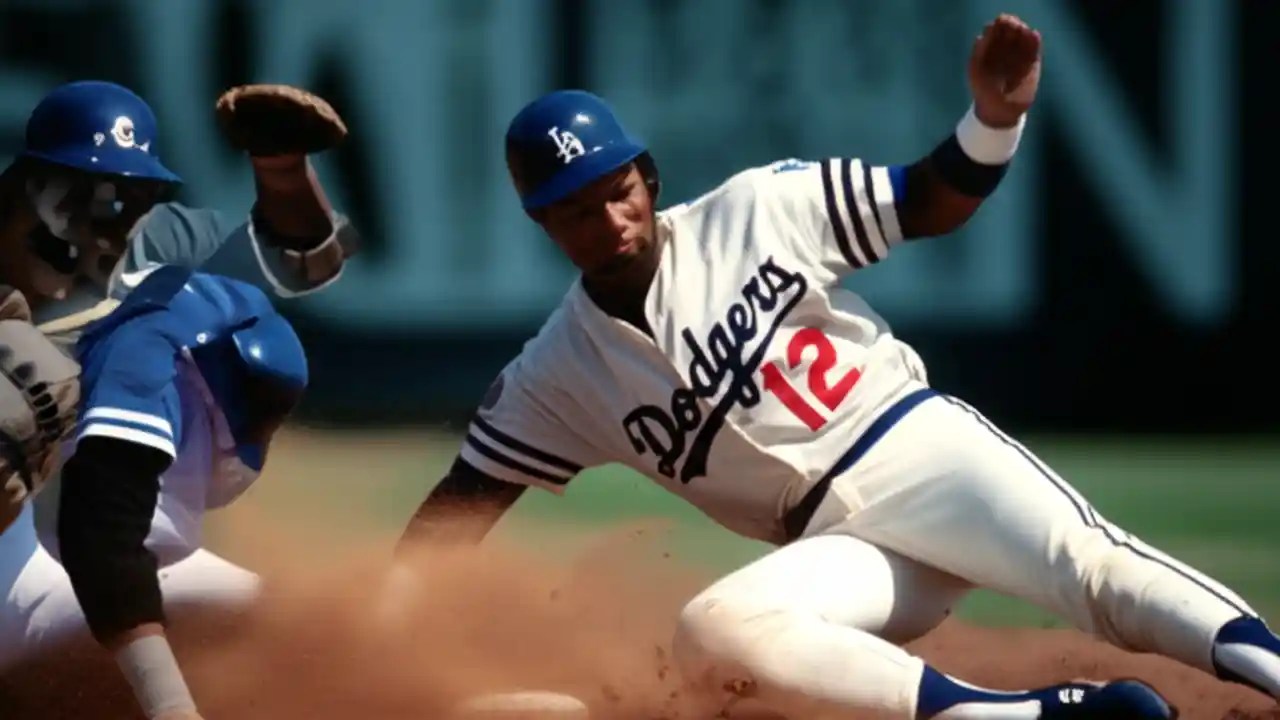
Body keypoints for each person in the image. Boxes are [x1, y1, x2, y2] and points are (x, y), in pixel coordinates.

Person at [394, 13, 1280, 720]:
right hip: (840, 547)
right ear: (543, 226)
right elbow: (459, 510)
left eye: (615, 191)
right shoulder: (555, 376)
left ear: (648, 179)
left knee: (1092, 571)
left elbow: (928, 202)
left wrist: (992, 121)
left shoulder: (756, 209)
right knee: (715, 633)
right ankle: (1039, 718)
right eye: (575, 212)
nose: (607, 221)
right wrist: (371, 626)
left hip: (919, 453)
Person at [0, 265, 309, 720]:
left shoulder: (162, 324)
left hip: (37, 570)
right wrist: (172, 709)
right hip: (28, 583)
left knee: (293, 635)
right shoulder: (153, 350)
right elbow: (102, 540)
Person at [0, 79, 358, 354]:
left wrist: (283, 173)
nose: (110, 205)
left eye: (134, 190)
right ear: (29, 181)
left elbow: (308, 262)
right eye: (84, 184)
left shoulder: (163, 239)